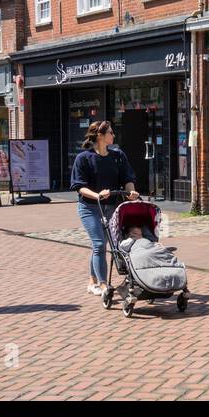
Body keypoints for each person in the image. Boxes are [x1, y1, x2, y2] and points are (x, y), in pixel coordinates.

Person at [70, 121, 138, 297]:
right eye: (111, 132)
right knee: (99, 243)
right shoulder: (84, 158)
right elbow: (79, 186)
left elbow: (127, 178)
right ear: (100, 135)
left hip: (113, 207)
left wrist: (131, 192)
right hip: (90, 207)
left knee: (118, 245)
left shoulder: (118, 156)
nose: (113, 136)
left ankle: (92, 282)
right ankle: (102, 285)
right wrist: (97, 195)